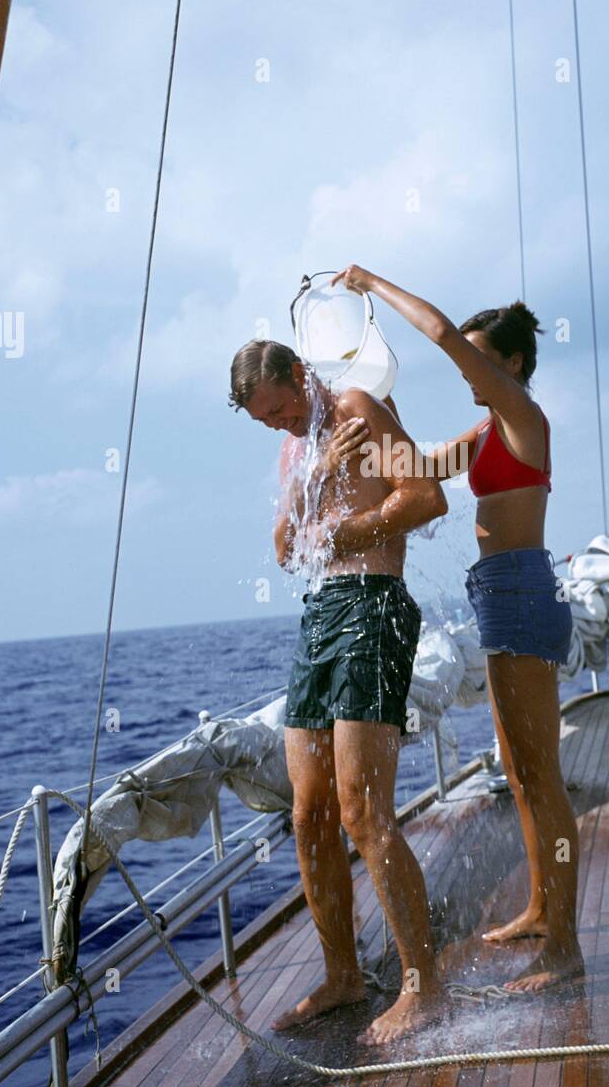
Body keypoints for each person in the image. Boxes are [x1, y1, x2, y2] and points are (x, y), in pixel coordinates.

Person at [330, 266, 581, 993]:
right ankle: (540, 909)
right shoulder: (489, 430)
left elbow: (439, 333)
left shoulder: (523, 416)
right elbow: (419, 466)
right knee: (520, 773)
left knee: (543, 778)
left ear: (512, 364)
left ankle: (564, 949)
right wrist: (374, 421)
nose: (468, 373)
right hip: (498, 596)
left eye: (480, 360)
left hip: (523, 592)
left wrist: (372, 283)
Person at [228, 338, 449, 1044]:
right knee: (309, 813)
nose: (280, 424)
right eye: (267, 420)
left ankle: (422, 985)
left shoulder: (358, 408)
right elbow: (285, 550)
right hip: (321, 615)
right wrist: (316, 472)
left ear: (301, 375)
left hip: (374, 606)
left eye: (282, 409)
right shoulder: (297, 451)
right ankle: (342, 974)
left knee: (362, 811)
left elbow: (427, 496)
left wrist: (349, 531)